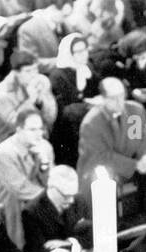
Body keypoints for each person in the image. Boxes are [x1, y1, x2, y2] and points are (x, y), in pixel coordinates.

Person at [0, 104, 56, 247]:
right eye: (32, 130)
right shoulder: (4, 152)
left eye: (40, 129)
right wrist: (52, 199)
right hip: (9, 208)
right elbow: (20, 188)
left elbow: (51, 181)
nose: (39, 134)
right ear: (19, 130)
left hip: (36, 206)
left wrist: (44, 162)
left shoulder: (45, 147)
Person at [75, 77, 146, 195]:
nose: (120, 102)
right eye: (113, 98)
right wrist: (136, 165)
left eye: (121, 95)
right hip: (96, 178)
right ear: (103, 99)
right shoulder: (91, 123)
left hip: (127, 173)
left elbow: (138, 138)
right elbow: (101, 157)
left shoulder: (134, 111)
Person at [0, 49, 57, 151]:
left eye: (35, 70)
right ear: (16, 73)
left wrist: (40, 101)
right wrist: (30, 101)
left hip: (39, 134)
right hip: (8, 139)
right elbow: (14, 125)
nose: (34, 75)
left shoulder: (42, 81)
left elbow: (51, 116)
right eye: (28, 71)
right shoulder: (2, 93)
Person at [21, 164, 86, 252]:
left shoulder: (79, 200)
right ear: (51, 188)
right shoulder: (31, 212)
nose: (71, 200)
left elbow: (91, 236)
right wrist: (77, 248)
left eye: (73, 194)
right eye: (66, 195)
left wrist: (69, 243)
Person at [49, 31, 95, 165]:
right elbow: (62, 109)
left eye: (85, 49)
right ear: (69, 54)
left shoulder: (87, 68)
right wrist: (87, 104)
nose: (84, 54)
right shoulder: (58, 76)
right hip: (69, 127)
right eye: (78, 52)